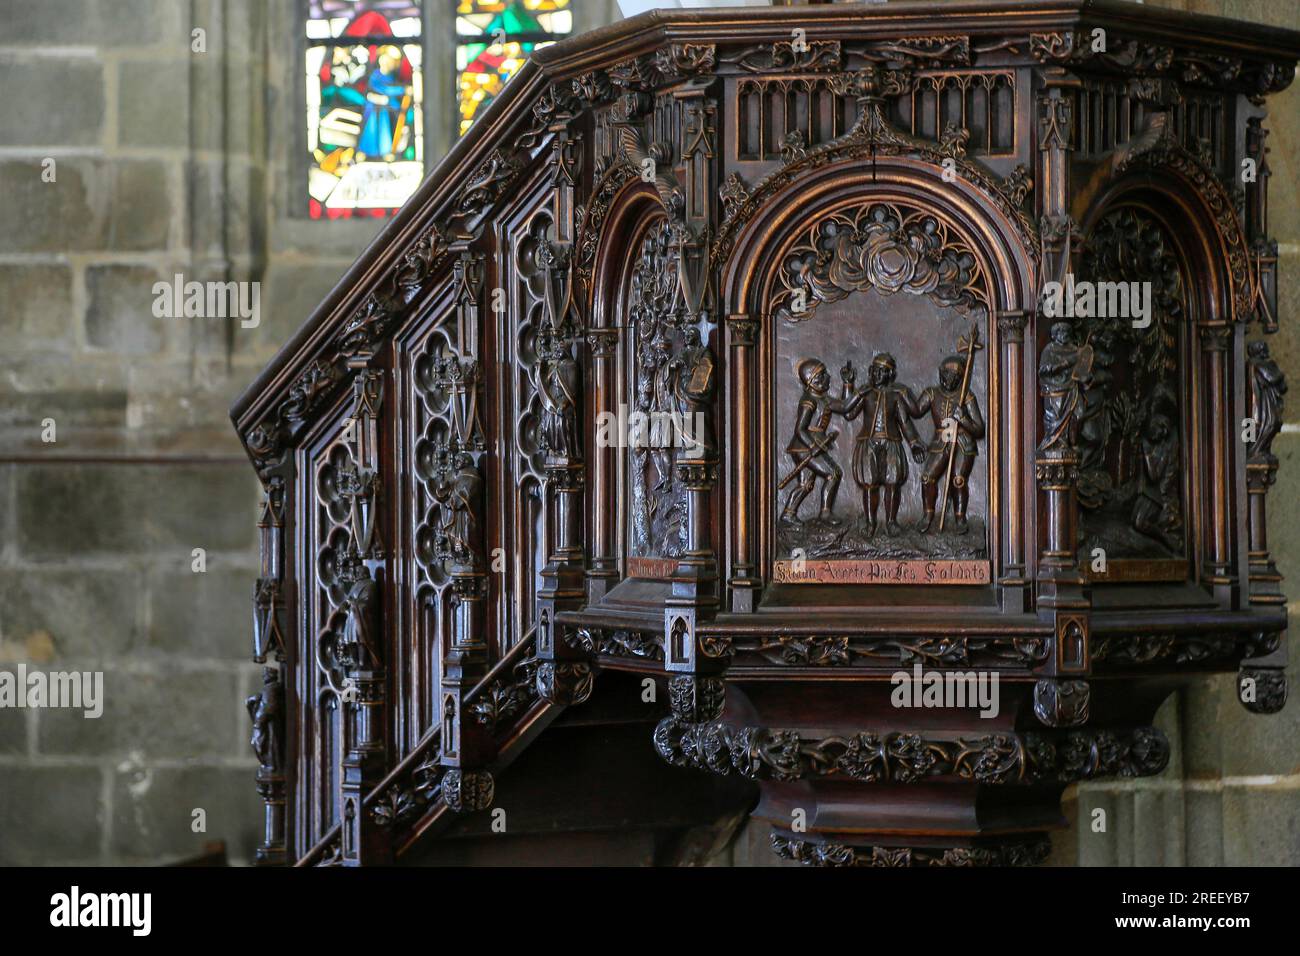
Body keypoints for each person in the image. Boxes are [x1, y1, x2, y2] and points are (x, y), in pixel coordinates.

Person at [841, 353, 925, 536]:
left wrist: (914, 443)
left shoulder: (896, 394)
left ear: (890, 374)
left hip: (891, 442)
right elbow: (848, 413)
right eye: (875, 370)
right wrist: (848, 385)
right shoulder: (865, 392)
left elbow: (905, 421)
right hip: (868, 442)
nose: (877, 375)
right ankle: (870, 523)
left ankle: (891, 522)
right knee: (869, 484)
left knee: (892, 483)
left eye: (882, 371)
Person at [914, 354, 984, 533]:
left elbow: (979, 429)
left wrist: (963, 419)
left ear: (960, 379)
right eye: (945, 376)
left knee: (958, 480)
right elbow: (915, 411)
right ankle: (928, 514)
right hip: (941, 440)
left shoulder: (966, 397)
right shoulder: (932, 393)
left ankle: (960, 517)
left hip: (962, 442)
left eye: (953, 378)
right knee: (927, 477)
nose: (947, 381)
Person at [780, 358, 847, 526]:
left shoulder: (823, 398)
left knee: (806, 484)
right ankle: (825, 513)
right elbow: (800, 429)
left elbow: (845, 406)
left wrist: (848, 384)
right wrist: (812, 446)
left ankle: (788, 514)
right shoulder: (809, 401)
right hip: (804, 446)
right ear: (812, 380)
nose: (828, 377)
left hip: (812, 446)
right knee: (833, 474)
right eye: (823, 374)